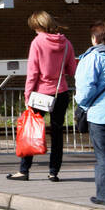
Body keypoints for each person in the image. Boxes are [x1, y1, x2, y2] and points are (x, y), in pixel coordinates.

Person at [8, 11, 76, 182]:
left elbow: (33, 73)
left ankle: (24, 170)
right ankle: (54, 172)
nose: (35, 31)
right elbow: (72, 70)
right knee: (58, 133)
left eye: (35, 28)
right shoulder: (66, 43)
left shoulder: (37, 42)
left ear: (38, 26)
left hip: (40, 94)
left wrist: (27, 95)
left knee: (31, 131)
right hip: (60, 92)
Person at [77, 21, 105, 206]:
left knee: (104, 154)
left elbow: (86, 89)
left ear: (95, 38)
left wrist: (83, 105)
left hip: (101, 114)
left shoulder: (93, 57)